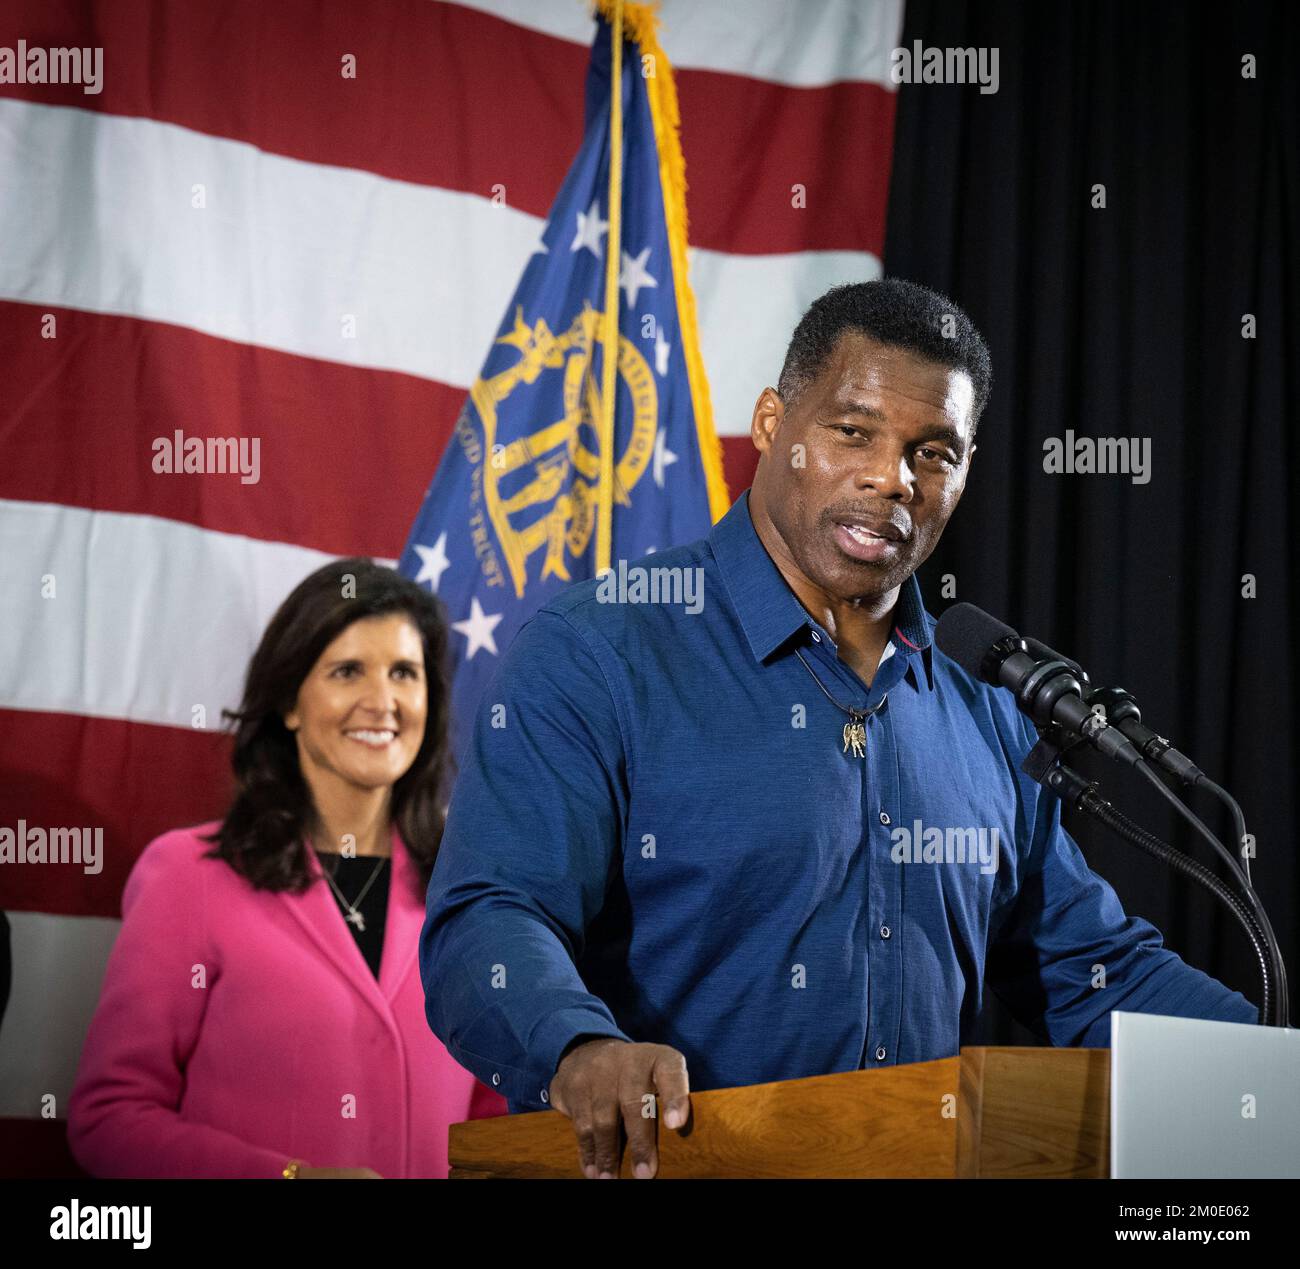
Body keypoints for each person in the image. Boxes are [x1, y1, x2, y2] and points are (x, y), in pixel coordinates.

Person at [419, 279, 1256, 1180]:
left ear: (965, 471)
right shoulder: (601, 651)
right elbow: (489, 918)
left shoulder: (985, 706)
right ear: (774, 422)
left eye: (932, 452)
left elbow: (1094, 970)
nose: (891, 477)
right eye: (854, 431)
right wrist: (577, 1046)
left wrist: (1270, 1064)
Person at [69, 558, 505, 1178]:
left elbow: (494, 1119)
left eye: (404, 673)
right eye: (347, 671)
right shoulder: (188, 875)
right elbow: (108, 1119)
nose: (381, 702)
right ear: (289, 702)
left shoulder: (467, 889)